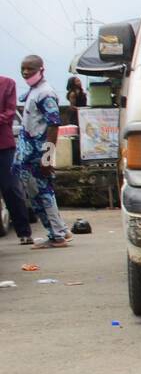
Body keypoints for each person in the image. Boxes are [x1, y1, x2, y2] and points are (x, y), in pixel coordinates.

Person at [14, 55, 70, 249]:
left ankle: (57, 235)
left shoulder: (45, 93)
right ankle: (60, 230)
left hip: (38, 155)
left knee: (42, 194)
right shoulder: (34, 91)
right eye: (23, 68)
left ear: (41, 70)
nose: (25, 72)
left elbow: (54, 125)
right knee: (41, 193)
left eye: (30, 68)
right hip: (30, 156)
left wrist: (47, 157)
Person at [1, 71, 34, 244]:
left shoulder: (7, 83)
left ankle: (24, 232)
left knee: (11, 188)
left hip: (3, 146)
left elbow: (9, 112)